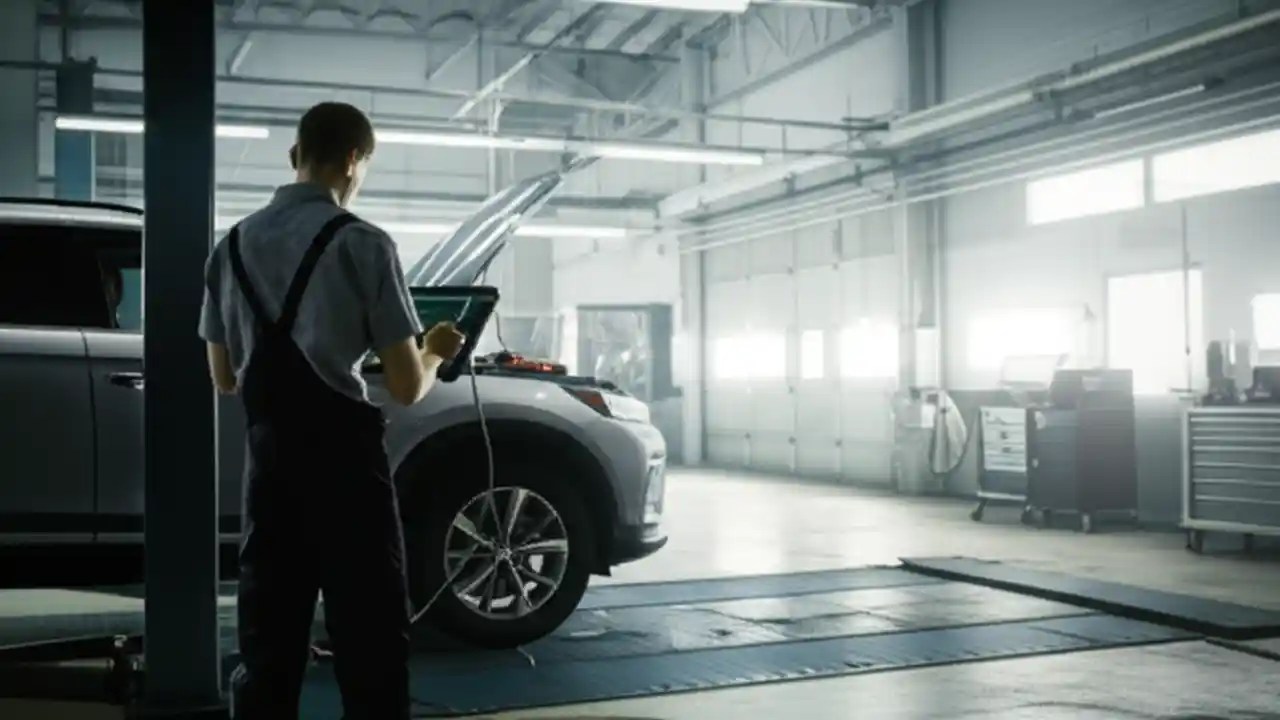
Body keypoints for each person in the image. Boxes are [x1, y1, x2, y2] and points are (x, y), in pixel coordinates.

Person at [199, 101, 464, 719]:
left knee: (269, 651)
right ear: (353, 160)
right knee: (370, 646)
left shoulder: (229, 248)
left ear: (295, 157)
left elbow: (223, 376)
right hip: (347, 477)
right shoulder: (365, 244)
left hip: (270, 474)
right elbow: (404, 386)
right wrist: (434, 351)